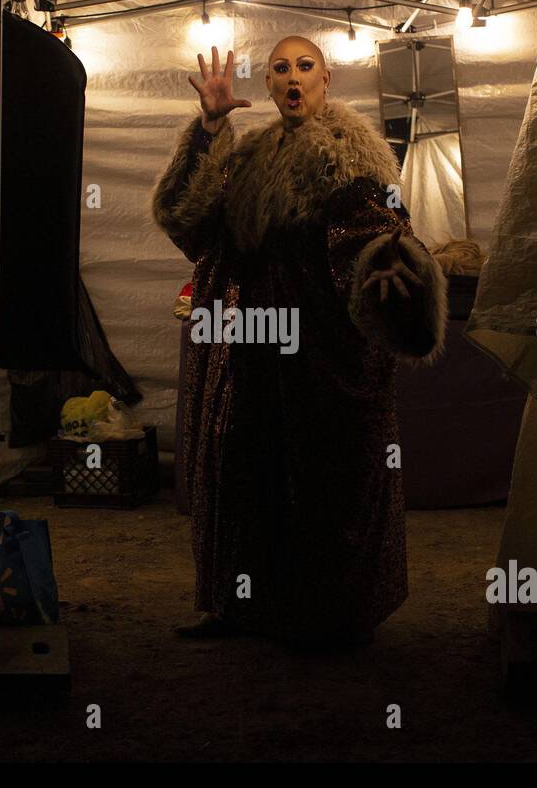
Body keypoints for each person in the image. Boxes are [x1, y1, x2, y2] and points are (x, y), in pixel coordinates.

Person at [150, 36, 446, 646]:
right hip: (247, 350)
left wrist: (385, 261)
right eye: (281, 69)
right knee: (241, 473)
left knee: (323, 480)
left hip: (319, 352)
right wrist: (208, 128)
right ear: (267, 85)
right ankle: (238, 607)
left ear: (326, 79)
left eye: (305, 67)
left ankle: (329, 617)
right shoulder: (251, 156)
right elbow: (188, 222)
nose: (293, 79)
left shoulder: (352, 155)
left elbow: (376, 228)